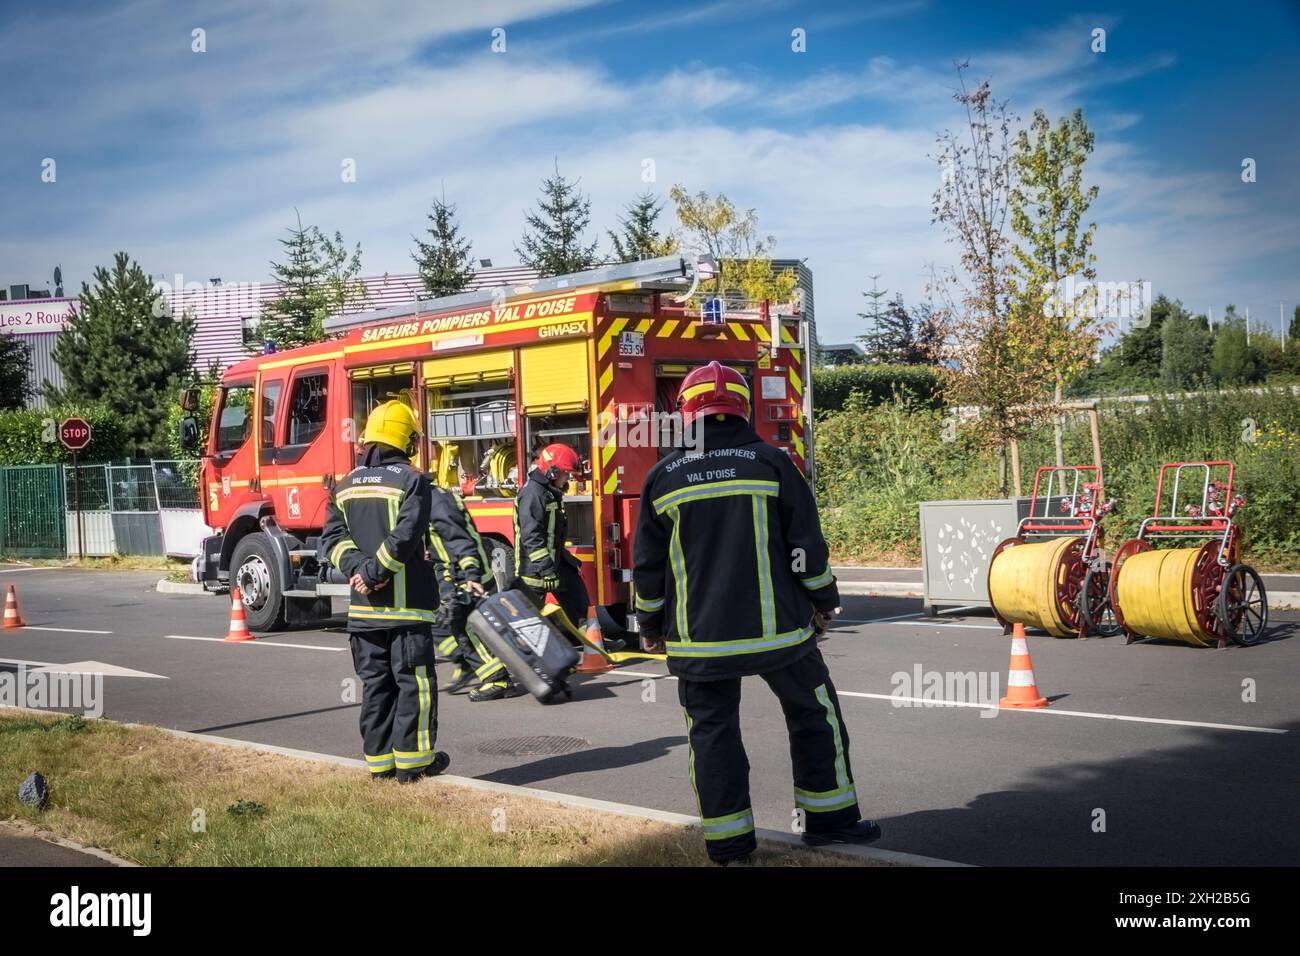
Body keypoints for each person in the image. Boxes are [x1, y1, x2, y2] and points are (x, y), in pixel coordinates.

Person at [632, 361, 881, 864]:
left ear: (686, 412)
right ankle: (830, 821)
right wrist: (823, 600)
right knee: (814, 715)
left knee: (712, 734)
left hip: (699, 642)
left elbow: (648, 567)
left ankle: (728, 844)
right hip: (781, 636)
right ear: (740, 408)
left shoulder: (662, 477)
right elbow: (806, 546)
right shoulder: (772, 462)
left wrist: (650, 626)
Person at [321, 399, 449, 783]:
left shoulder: (343, 486)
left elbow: (332, 541)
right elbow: (406, 536)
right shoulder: (412, 481)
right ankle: (413, 767)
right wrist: (376, 572)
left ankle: (380, 767)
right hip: (407, 610)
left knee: (376, 686)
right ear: (404, 439)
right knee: (415, 685)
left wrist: (359, 571)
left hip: (363, 613)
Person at [513, 443, 624, 651]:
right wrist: (546, 570)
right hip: (536, 569)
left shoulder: (548, 491)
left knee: (579, 599)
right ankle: (526, 659)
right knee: (529, 620)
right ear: (552, 471)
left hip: (557, 561)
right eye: (566, 474)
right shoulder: (533, 494)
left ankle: (594, 643)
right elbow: (532, 537)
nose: (568, 479)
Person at [427, 481, 519, 702]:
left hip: (461, 574)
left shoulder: (434, 501)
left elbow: (456, 540)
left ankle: (497, 679)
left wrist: (467, 574)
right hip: (463, 571)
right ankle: (470, 663)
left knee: (465, 627)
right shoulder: (438, 496)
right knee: (455, 625)